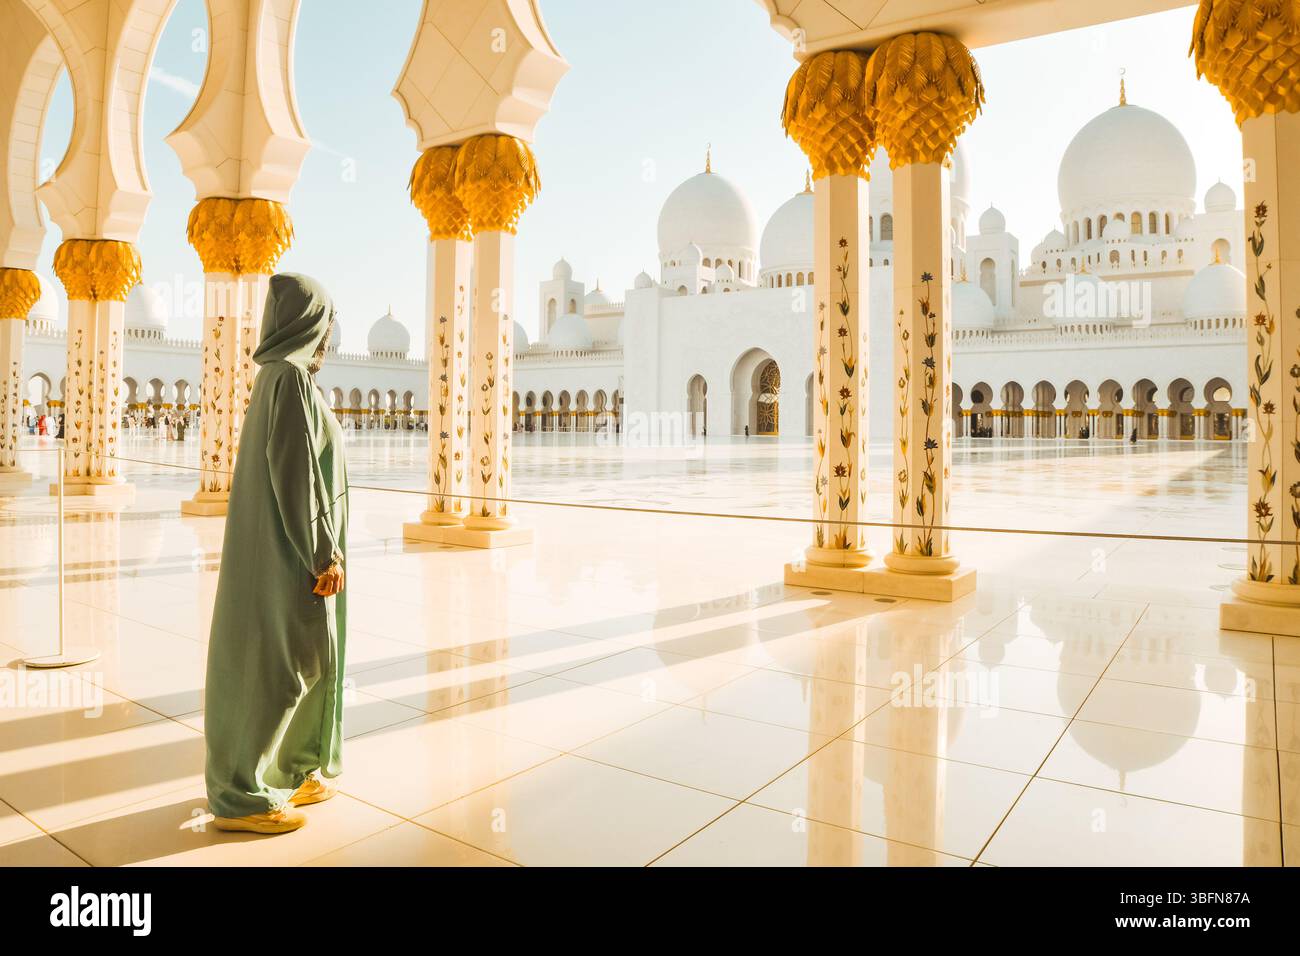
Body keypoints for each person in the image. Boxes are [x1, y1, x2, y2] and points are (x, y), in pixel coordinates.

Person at [205, 273, 348, 835]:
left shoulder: (286, 379)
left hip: (296, 545)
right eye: (327, 324)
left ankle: (297, 766)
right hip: (293, 550)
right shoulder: (286, 378)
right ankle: (241, 794)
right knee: (284, 663)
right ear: (310, 324)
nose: (330, 338)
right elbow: (296, 474)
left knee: (313, 655)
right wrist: (322, 552)